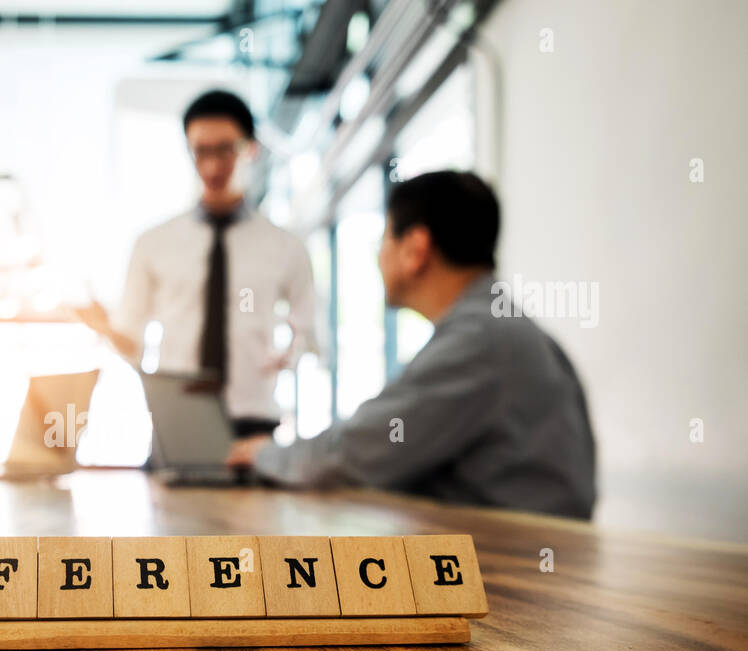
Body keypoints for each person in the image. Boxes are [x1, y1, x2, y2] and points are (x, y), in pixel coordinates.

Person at [228, 171, 597, 519]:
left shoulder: (480, 340)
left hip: (514, 564)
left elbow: (360, 449)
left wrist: (264, 454)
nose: (379, 256)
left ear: (415, 249)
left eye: (385, 238)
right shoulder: (505, 329)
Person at [74, 89, 319, 439]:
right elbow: (132, 343)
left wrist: (289, 352)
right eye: (201, 151)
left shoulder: (286, 247)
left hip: (254, 424)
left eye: (225, 149)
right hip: (176, 421)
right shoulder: (153, 244)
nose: (212, 166)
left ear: (251, 149)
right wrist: (102, 327)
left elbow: (309, 330)